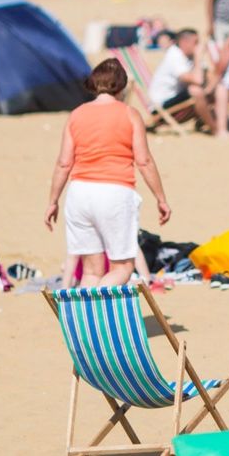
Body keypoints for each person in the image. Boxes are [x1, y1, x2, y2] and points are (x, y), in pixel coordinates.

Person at [43, 57, 170, 289]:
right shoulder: (130, 114)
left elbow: (63, 163)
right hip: (114, 192)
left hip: (79, 193)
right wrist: (161, 198)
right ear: (120, 86)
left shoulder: (77, 114)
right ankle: (100, 306)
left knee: (91, 272)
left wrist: (53, 201)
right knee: (122, 267)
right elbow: (144, 161)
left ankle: (85, 322)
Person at [147, 29, 212, 127]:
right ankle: (214, 127)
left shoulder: (188, 55)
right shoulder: (174, 56)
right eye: (196, 42)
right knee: (195, 90)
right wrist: (198, 58)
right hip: (162, 106)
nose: (198, 46)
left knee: (214, 87)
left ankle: (209, 122)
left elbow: (211, 76)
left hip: (176, 99)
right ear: (184, 43)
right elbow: (198, 80)